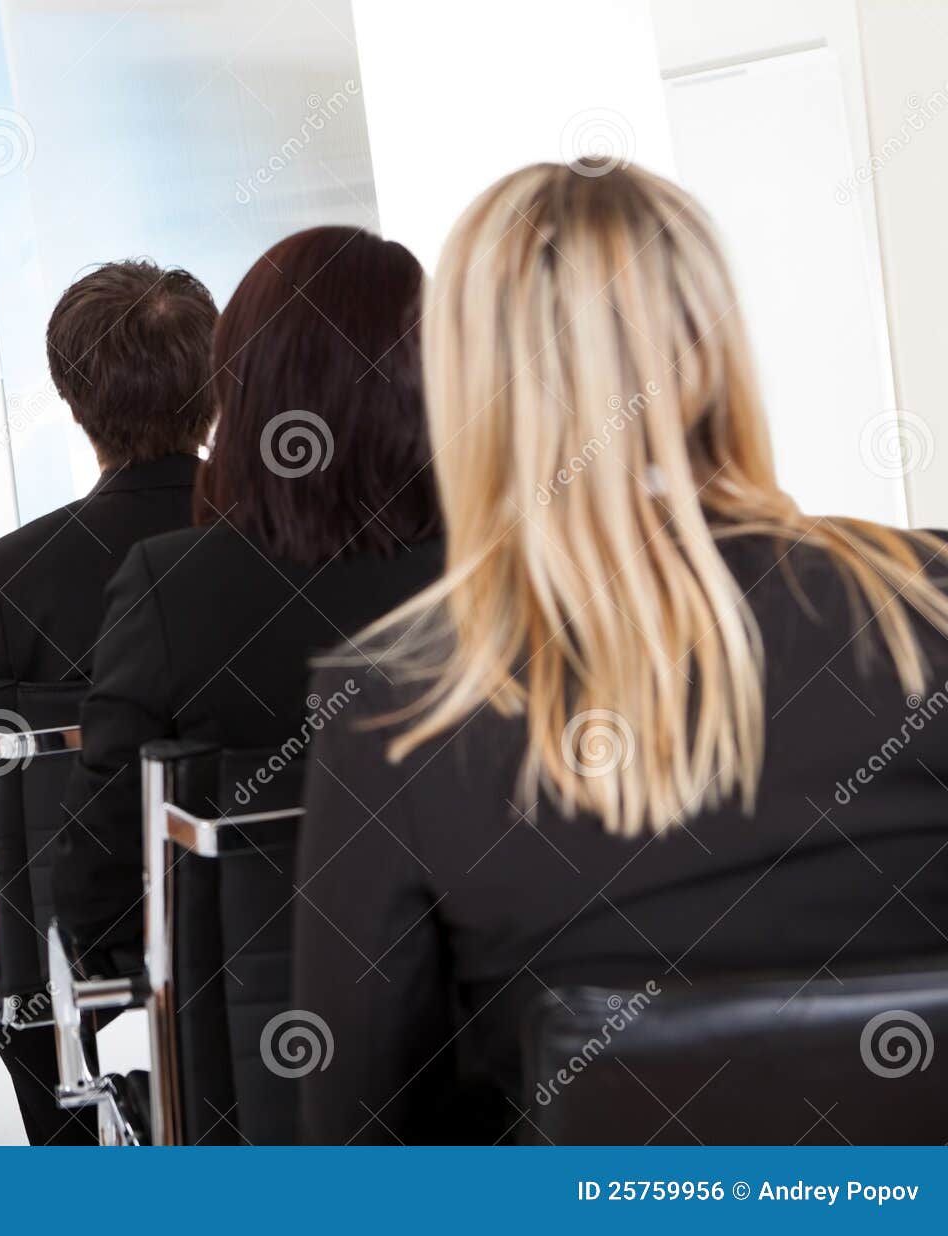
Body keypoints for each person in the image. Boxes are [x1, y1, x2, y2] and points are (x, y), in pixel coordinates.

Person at [293, 160, 948, 1145]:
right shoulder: (922, 602)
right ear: (713, 340)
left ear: (467, 385)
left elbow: (361, 1146)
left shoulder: (398, 707)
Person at [52, 225, 445, 973]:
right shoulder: (501, 570)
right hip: (504, 1057)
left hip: (249, 1053)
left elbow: (93, 882)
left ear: (240, 379)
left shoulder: (176, 588)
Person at [0, 258, 218, 1145]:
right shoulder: (296, 546)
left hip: (74, 952)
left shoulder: (14, 571)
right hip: (275, 927)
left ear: (70, 396)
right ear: (217, 391)